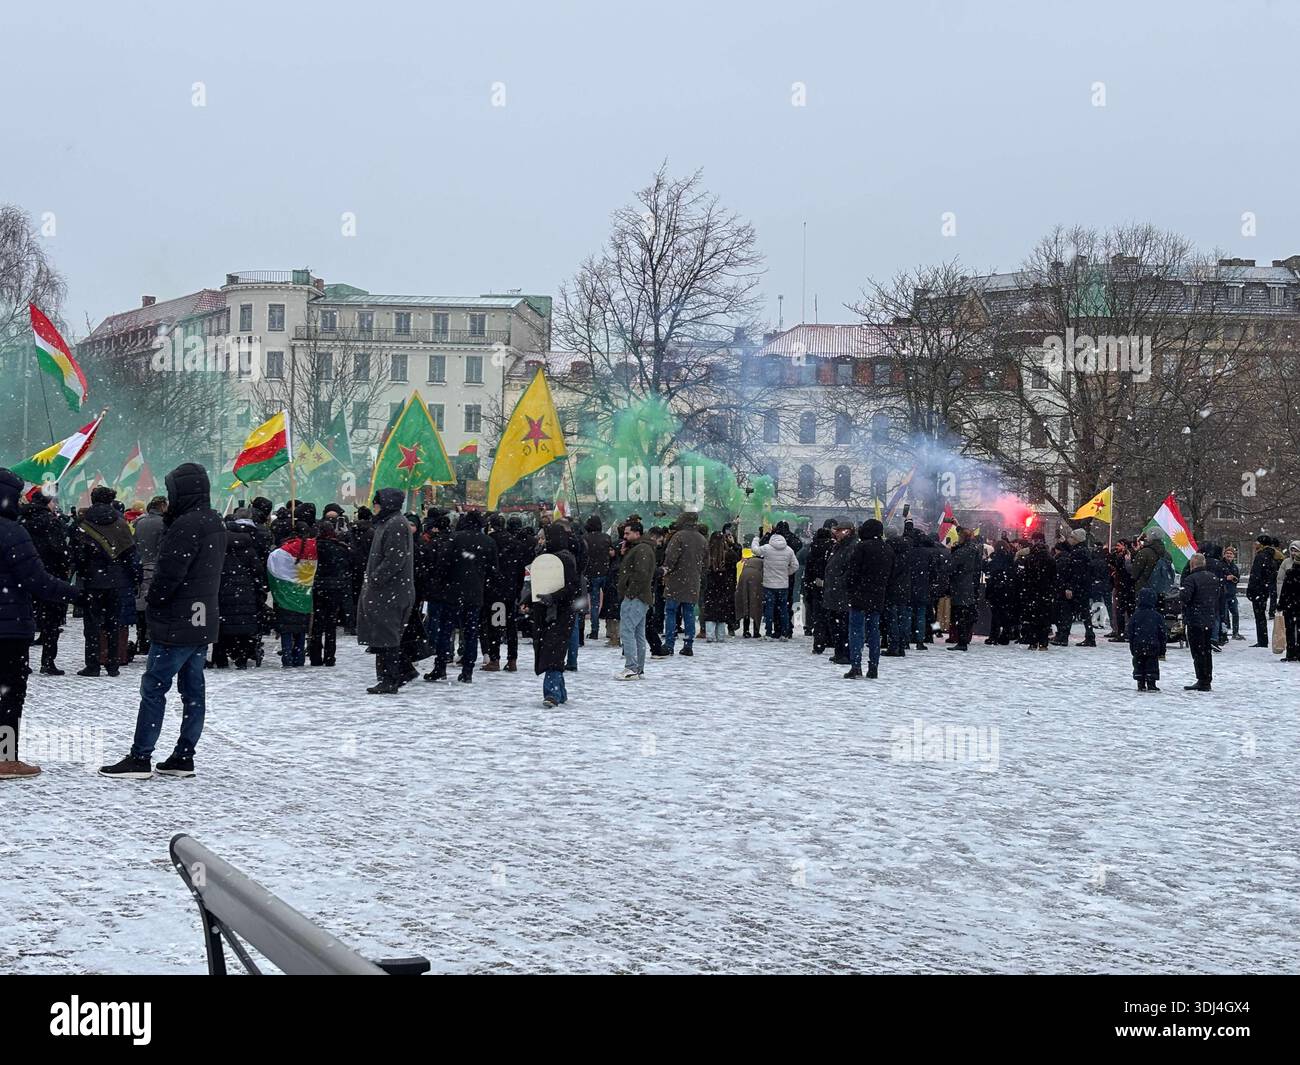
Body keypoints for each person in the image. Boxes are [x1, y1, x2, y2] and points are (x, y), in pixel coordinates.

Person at [100, 463, 227, 778]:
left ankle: (140, 757)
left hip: (176, 619)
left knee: (155, 687)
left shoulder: (185, 525)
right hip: (202, 616)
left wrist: (153, 600)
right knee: (193, 690)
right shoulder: (214, 522)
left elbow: (169, 575)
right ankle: (184, 756)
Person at [0, 469, 82, 779]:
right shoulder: (11, 532)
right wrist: (77, 594)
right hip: (9, 627)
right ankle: (5, 758)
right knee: (8, 694)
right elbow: (38, 581)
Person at [72, 485, 137, 677]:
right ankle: (113, 664)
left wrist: (85, 573)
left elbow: (78, 554)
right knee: (113, 623)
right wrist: (130, 576)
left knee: (91, 625)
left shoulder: (83, 522)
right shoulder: (120, 522)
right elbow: (130, 553)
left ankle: (92, 664)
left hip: (93, 580)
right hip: (116, 580)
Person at [357, 488, 415, 694]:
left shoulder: (395, 524)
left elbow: (394, 559)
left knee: (386, 636)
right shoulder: (389, 523)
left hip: (390, 591)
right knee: (382, 635)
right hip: (386, 590)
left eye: (377, 503)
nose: (375, 507)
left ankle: (390, 678)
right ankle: (398, 673)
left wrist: (375, 578)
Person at [19, 488, 72, 675]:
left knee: (26, 619)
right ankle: (48, 661)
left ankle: (23, 661)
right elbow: (60, 550)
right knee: (51, 623)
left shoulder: (21, 521)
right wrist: (65, 565)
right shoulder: (52, 522)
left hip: (25, 576)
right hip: (50, 576)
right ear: (47, 502)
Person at [530, 523, 579, 706]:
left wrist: (553, 597)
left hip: (561, 612)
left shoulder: (564, 559)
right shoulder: (546, 558)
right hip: (548, 612)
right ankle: (561, 693)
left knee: (553, 653)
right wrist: (528, 601)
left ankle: (552, 694)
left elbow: (571, 587)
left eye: (543, 538)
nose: (540, 541)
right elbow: (540, 584)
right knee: (552, 651)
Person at [212, 510, 265, 670]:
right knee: (243, 629)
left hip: (222, 591)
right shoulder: (249, 549)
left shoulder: (218, 549)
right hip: (245, 593)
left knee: (222, 628)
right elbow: (258, 571)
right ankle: (241, 658)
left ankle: (220, 659)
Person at [845, 518, 892, 679]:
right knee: (874, 632)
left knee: (856, 631)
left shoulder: (861, 547)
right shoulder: (887, 549)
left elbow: (852, 572)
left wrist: (851, 588)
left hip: (860, 594)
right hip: (878, 594)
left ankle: (856, 665)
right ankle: (873, 667)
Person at [658, 513, 707, 657]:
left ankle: (669, 643)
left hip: (676, 580)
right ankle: (688, 644)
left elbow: (671, 558)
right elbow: (706, 562)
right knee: (689, 612)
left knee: (671, 611)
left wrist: (665, 571)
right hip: (693, 581)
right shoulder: (702, 539)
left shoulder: (678, 536)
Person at [308, 518, 352, 667]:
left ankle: (315, 656)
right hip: (335, 588)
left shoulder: (313, 547)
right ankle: (329, 656)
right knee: (331, 623)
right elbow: (347, 566)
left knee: (317, 623)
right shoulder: (340, 548)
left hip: (317, 586)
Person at [616, 520, 655, 679]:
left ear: (637, 533)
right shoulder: (640, 548)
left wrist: (630, 592)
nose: (624, 536)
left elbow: (641, 574)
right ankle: (638, 668)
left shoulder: (642, 549)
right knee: (638, 633)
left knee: (628, 631)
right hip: (640, 596)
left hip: (636, 597)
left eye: (627, 533)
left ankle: (631, 667)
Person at [131, 496, 168, 656]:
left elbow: (135, 543)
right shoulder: (163, 523)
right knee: (155, 607)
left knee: (141, 606)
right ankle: (152, 639)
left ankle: (141, 638)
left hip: (141, 567)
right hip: (156, 569)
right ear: (161, 506)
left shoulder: (139, 522)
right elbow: (163, 548)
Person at [1179, 553, 1218, 692]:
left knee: (1197, 650)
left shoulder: (1191, 579)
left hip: (1195, 619)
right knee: (1206, 650)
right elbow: (1218, 596)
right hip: (1209, 617)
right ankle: (1207, 677)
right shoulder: (1213, 577)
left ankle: (1202, 679)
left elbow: (1185, 597)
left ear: (1192, 564)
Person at [752, 529, 799, 641]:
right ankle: (784, 633)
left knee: (769, 609)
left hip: (769, 585)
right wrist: (786, 572)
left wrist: (755, 539)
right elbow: (795, 565)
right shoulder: (789, 550)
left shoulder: (767, 548)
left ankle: (768, 633)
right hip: (783, 585)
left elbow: (755, 551)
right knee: (783, 610)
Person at [701, 531, 741, 642]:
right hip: (725, 585)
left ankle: (709, 634)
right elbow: (738, 557)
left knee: (710, 609)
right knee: (722, 610)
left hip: (710, 585)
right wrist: (734, 544)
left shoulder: (707, 553)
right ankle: (720, 635)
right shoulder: (729, 554)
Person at [947, 528, 982, 651]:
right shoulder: (975, 550)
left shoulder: (962, 552)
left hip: (961, 585)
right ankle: (965, 639)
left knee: (960, 615)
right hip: (971, 585)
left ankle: (962, 641)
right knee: (967, 614)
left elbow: (950, 567)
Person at [1128, 587, 1167, 692]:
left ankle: (1140, 682)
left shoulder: (1135, 615)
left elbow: (1130, 632)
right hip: (1153, 645)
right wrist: (1162, 650)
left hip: (1138, 645)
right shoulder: (1157, 616)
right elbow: (1162, 634)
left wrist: (1132, 646)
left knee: (1138, 663)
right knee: (1152, 664)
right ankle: (1151, 682)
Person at [1247, 535, 1280, 647]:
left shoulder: (1261, 556)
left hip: (1258, 589)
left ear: (1261, 544)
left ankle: (1262, 640)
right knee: (1261, 615)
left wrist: (1251, 589)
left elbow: (1255, 574)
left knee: (1259, 615)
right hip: (1265, 589)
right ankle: (1263, 638)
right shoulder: (1272, 556)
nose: (1255, 544)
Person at [583, 514, 613, 640]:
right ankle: (611, 629)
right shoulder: (606, 538)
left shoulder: (585, 538)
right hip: (605, 572)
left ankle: (594, 630)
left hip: (591, 573)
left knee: (594, 603)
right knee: (609, 601)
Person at [983, 538, 1017, 646]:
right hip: (1008, 589)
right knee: (1006, 613)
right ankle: (1005, 635)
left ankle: (994, 636)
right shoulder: (1010, 559)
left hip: (995, 589)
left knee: (995, 614)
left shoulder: (995, 559)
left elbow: (988, 570)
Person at [1277, 540, 1300, 662]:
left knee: (1290, 629)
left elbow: (1285, 589)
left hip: (1290, 604)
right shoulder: (1287, 566)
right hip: (1293, 604)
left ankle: (1291, 653)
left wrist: (1281, 604)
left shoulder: (1290, 573)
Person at [735, 548, 764, 638]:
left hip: (744, 577)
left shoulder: (749, 560)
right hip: (756, 578)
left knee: (745, 602)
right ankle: (756, 631)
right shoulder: (762, 561)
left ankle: (746, 630)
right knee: (756, 603)